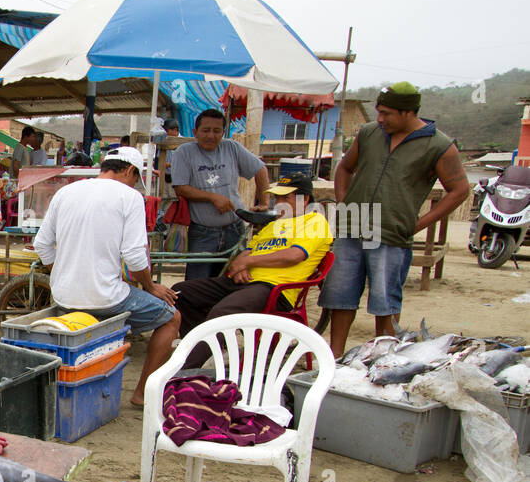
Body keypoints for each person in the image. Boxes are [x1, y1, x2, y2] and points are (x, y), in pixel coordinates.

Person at [320, 81, 469, 356]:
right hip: (351, 230)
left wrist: (419, 223)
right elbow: (344, 168)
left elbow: (459, 191)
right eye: (379, 111)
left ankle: (382, 360)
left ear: (409, 113)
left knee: (385, 303)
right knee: (339, 298)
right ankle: (335, 358)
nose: (380, 119)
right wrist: (343, 204)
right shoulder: (369, 133)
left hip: (391, 234)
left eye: (387, 113)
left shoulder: (440, 145)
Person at [33, 146, 180, 407]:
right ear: (131, 171)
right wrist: (150, 286)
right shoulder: (130, 196)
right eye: (136, 178)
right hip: (107, 298)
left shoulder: (66, 191)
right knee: (172, 318)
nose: (135, 184)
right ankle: (142, 393)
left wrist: (66, 272)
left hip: (64, 295)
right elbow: (135, 256)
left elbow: (42, 245)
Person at [172, 173, 333, 368]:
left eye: (285, 198)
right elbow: (242, 256)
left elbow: (294, 256)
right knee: (180, 292)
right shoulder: (273, 225)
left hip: (274, 288)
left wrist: (248, 263)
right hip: (243, 282)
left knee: (223, 312)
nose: (278, 202)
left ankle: (185, 368)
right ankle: (212, 350)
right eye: (277, 198)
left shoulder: (315, 222)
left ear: (305, 199)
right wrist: (239, 266)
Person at [170, 108, 270, 281]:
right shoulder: (184, 152)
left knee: (234, 279)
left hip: (235, 228)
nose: (211, 135)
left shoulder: (231, 147)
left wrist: (264, 203)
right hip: (202, 232)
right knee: (196, 283)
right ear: (195, 132)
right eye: (206, 130)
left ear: (223, 132)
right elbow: (180, 187)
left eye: (217, 131)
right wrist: (213, 197)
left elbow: (260, 169)